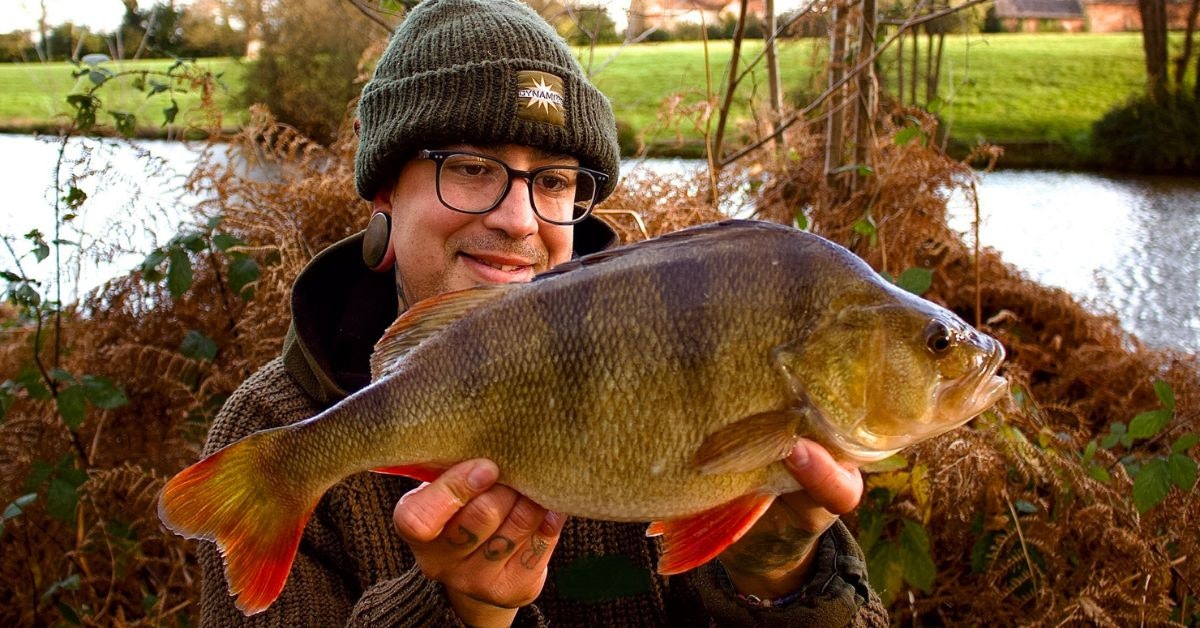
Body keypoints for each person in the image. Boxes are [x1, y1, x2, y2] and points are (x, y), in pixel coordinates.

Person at [197, 0, 888, 625]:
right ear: (384, 192)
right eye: (470, 166)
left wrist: (778, 575)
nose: (518, 219)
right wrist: (457, 612)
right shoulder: (274, 433)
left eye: (553, 181)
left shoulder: (687, 360)